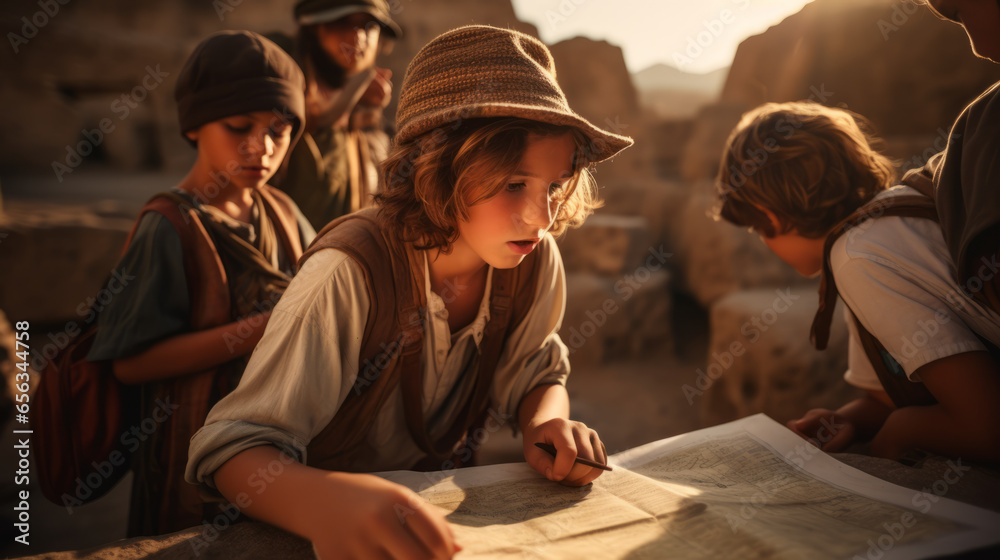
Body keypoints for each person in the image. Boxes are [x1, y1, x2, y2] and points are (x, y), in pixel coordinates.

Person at [186, 25, 632, 559]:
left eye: (555, 187)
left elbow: (537, 369)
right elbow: (229, 452)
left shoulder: (531, 259)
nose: (543, 218)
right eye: (515, 185)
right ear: (438, 170)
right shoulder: (348, 271)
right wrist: (325, 501)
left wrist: (547, 421)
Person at [86, 30, 316, 536]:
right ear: (194, 126)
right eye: (239, 127)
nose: (262, 147)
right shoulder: (167, 228)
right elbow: (130, 363)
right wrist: (259, 329)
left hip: (275, 451)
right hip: (183, 460)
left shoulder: (284, 214)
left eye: (280, 130)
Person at [714, 101, 1000, 463]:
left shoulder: (856, 255)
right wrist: (846, 420)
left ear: (772, 217)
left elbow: (986, 429)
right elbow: (886, 395)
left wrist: (896, 433)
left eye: (758, 228)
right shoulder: (881, 226)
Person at [276, 0, 401, 230]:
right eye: (342, 22)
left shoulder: (373, 128)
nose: (358, 37)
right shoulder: (283, 82)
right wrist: (354, 89)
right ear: (313, 27)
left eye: (369, 26)